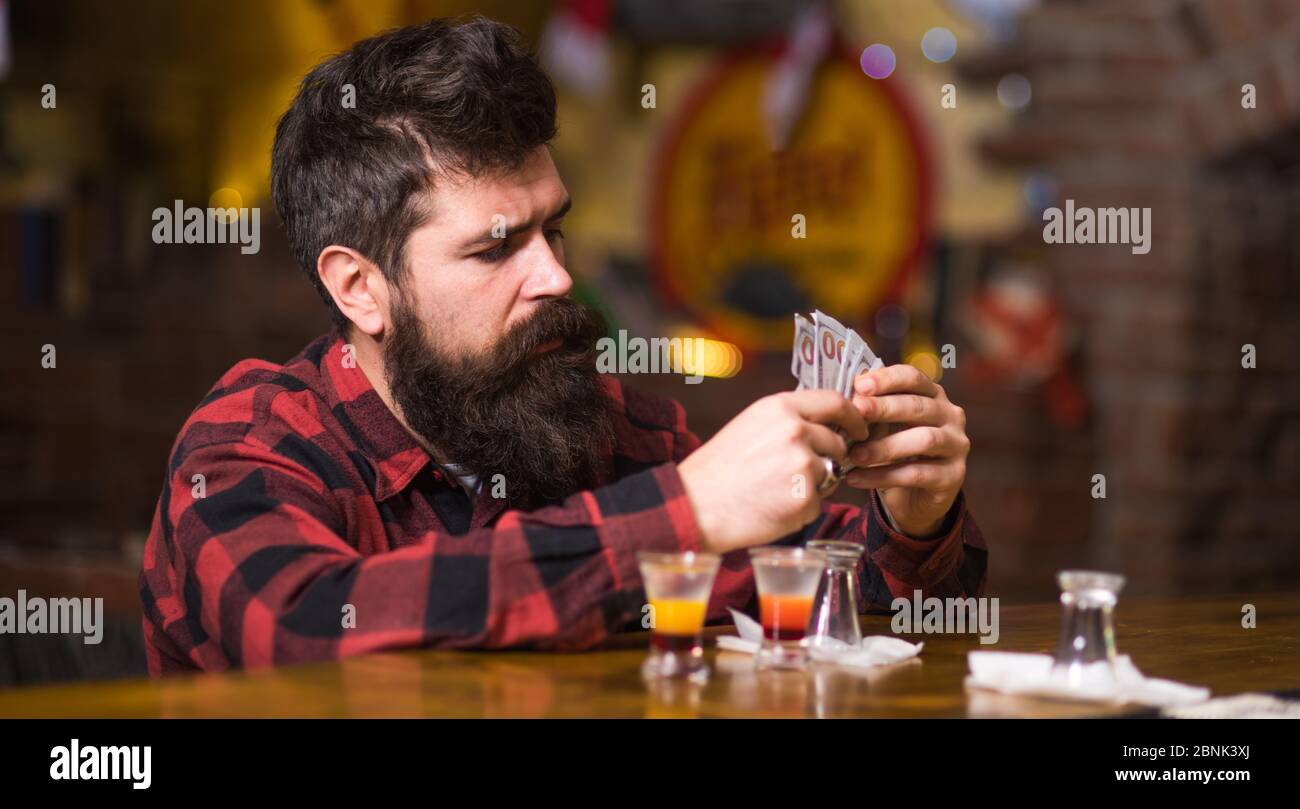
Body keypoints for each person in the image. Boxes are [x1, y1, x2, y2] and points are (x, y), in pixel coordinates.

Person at [139, 16, 986, 675]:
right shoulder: (252, 443)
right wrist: (681, 516)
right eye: (496, 246)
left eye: (557, 228)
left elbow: (863, 607)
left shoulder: (605, 425)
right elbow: (306, 632)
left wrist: (913, 515)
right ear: (360, 287)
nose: (553, 275)